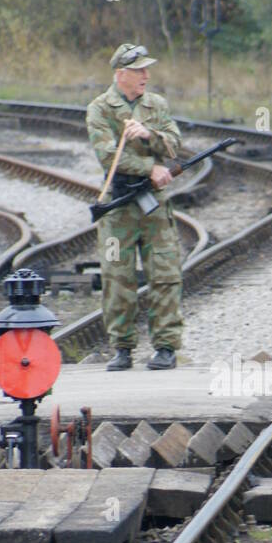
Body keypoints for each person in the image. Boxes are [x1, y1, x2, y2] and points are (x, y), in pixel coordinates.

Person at [86, 42, 184, 370]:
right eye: (139, 70)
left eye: (146, 69)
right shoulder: (100, 109)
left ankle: (166, 347)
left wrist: (148, 135)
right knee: (117, 278)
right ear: (120, 74)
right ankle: (123, 347)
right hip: (118, 207)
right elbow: (107, 154)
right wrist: (149, 168)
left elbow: (173, 145)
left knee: (165, 274)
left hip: (154, 206)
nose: (146, 75)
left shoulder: (156, 105)